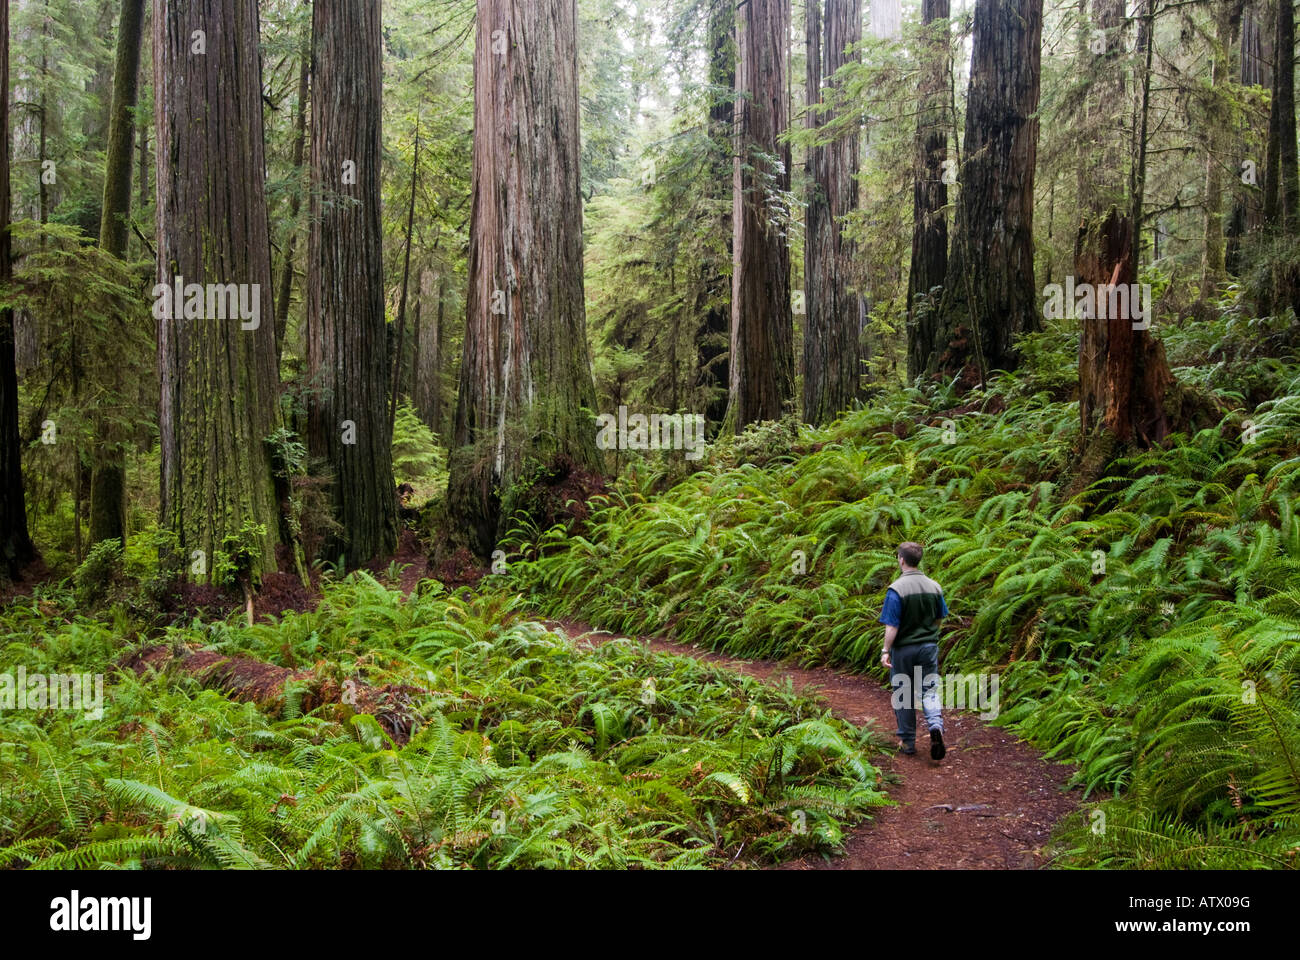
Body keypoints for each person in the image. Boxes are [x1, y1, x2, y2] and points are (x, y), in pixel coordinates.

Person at [878, 541, 948, 760]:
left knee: (903, 693)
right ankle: (935, 726)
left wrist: (885, 650)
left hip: (904, 650)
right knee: (929, 689)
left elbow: (892, 626)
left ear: (901, 559)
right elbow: (939, 618)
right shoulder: (934, 587)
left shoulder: (896, 589)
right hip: (928, 647)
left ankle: (907, 742)